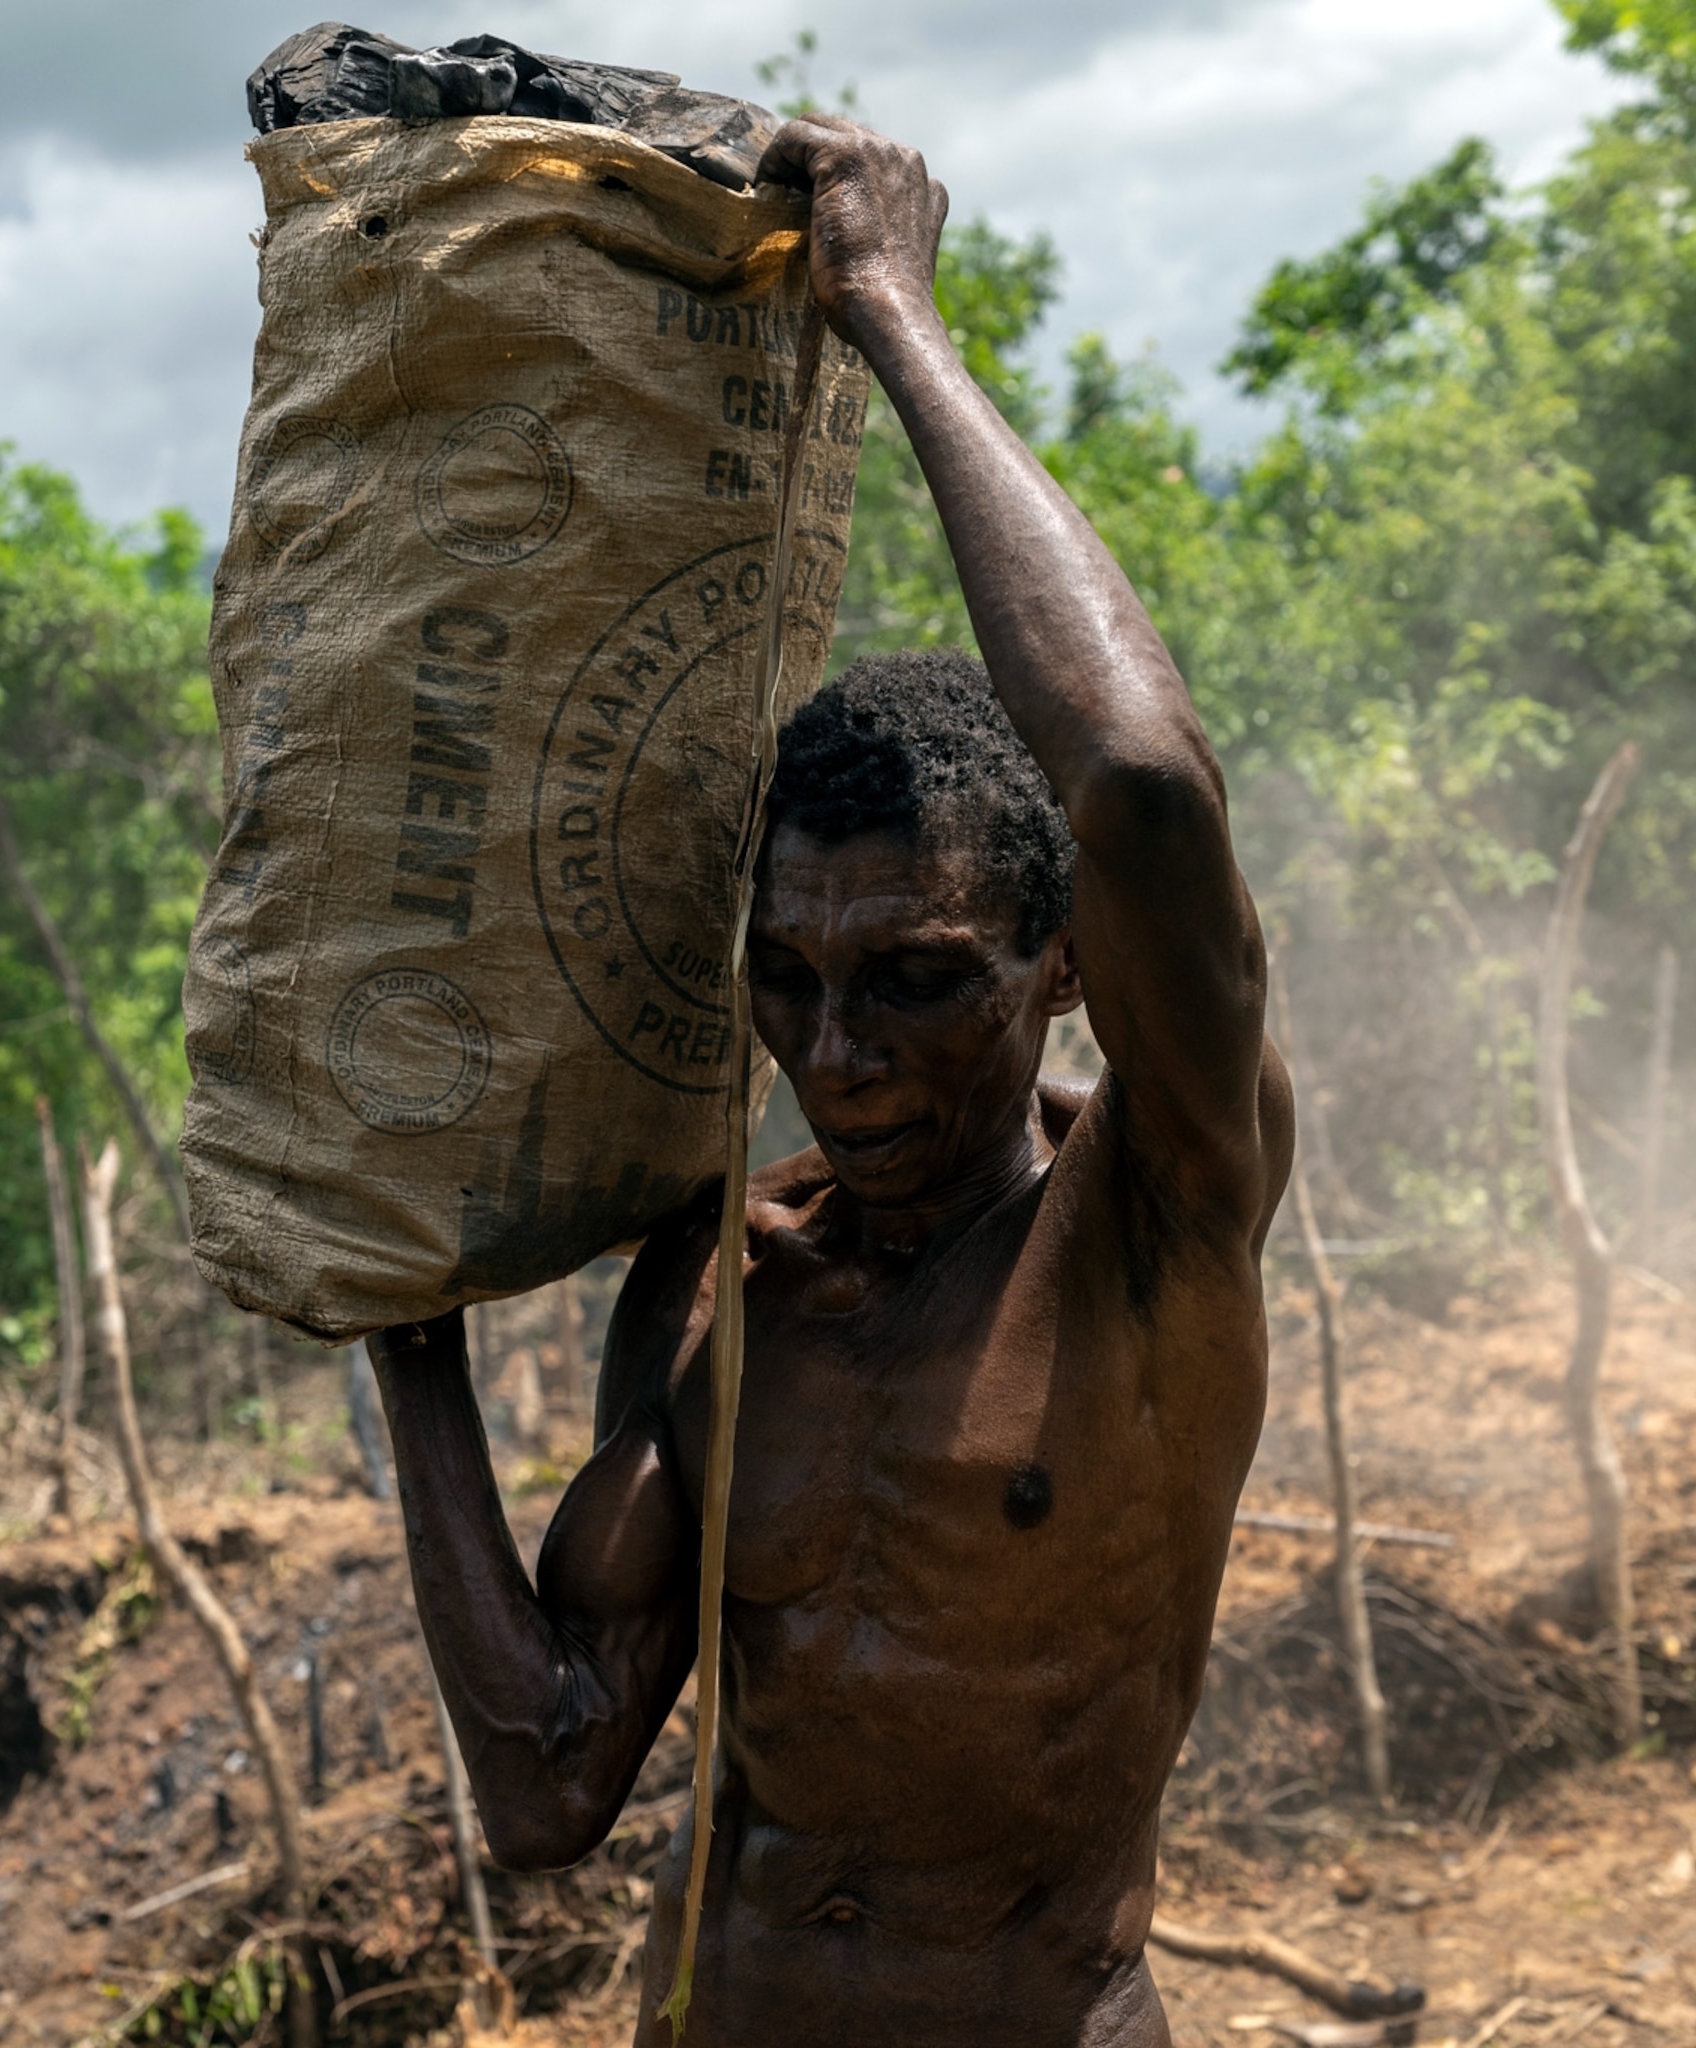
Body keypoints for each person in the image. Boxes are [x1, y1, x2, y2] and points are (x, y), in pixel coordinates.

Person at [368, 112, 1291, 2047]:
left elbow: (1137, 785)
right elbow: (548, 1785)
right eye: (787, 980)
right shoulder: (723, 1282)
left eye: (917, 982)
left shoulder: (1155, 1224)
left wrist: (889, 312)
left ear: (1062, 968)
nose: (839, 1055)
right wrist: (409, 1343)